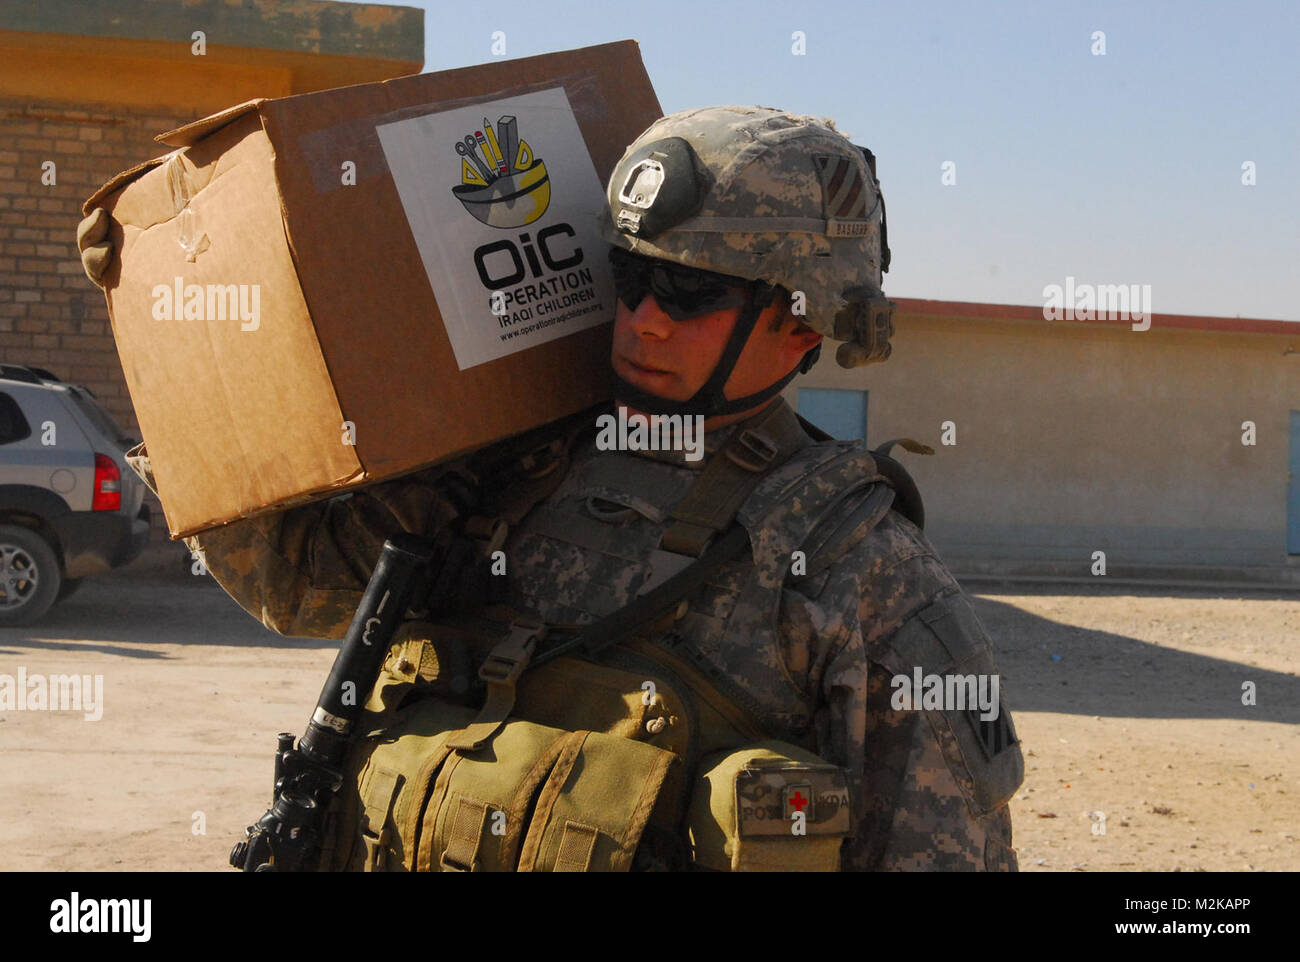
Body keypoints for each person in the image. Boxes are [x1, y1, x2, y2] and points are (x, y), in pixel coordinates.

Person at [79, 105, 1023, 871]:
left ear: (803, 324)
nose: (643, 320)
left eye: (692, 295)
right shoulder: (507, 466)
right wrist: (172, 345)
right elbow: (295, 583)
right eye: (632, 275)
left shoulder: (866, 574)